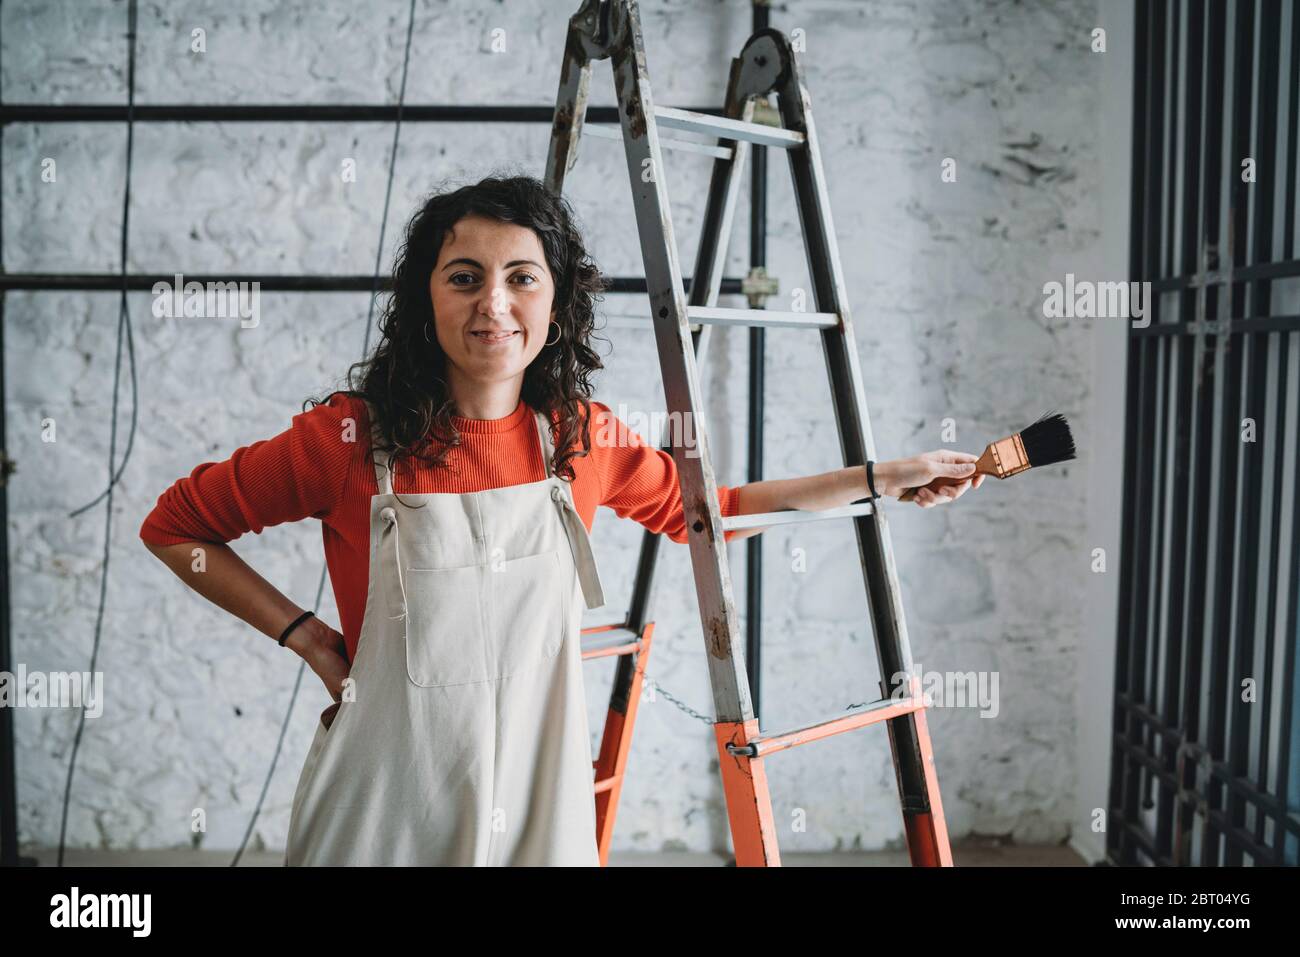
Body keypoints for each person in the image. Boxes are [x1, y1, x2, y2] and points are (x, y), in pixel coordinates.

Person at [139, 174, 983, 866]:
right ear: (425, 295)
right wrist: (307, 637)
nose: (492, 305)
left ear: (557, 297)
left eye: (521, 277)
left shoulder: (582, 439)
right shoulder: (350, 438)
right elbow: (175, 525)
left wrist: (883, 477)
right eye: (463, 276)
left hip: (534, 805)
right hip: (384, 806)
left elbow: (714, 515)